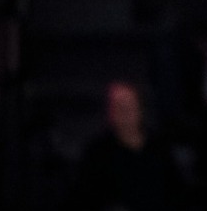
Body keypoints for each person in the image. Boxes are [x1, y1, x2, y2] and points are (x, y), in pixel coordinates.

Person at [65, 82, 187, 211]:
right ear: (110, 113)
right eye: (120, 107)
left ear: (140, 110)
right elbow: (83, 198)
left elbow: (177, 193)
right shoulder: (98, 154)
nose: (125, 113)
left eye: (130, 106)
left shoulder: (159, 148)